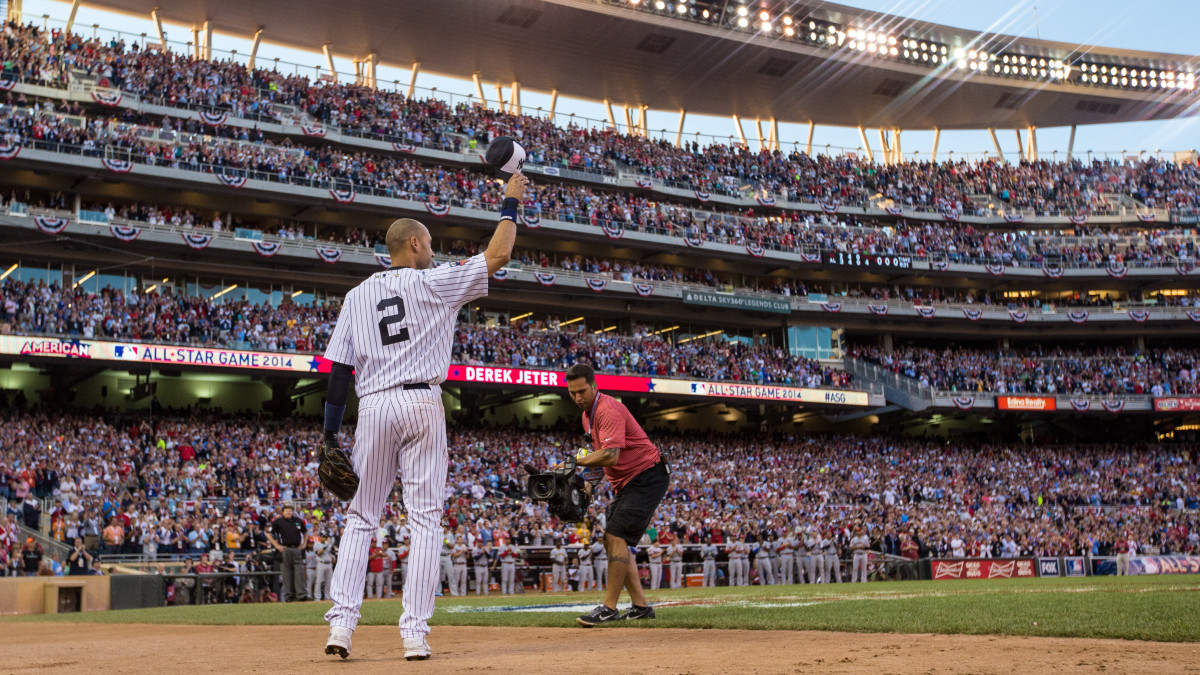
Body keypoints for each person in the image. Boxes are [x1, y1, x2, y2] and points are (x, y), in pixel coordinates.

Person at [322, 172, 527, 661]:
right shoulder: (433, 281)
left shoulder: (356, 296)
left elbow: (338, 371)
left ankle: (341, 628)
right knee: (425, 521)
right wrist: (510, 203)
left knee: (361, 517)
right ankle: (414, 633)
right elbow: (497, 255)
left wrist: (330, 434)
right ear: (414, 243)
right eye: (429, 244)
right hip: (420, 401)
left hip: (372, 405)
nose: (433, 251)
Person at [565, 364, 671, 627]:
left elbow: (610, 455)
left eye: (582, 391)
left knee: (615, 536)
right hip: (629, 482)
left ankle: (609, 608)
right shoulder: (587, 416)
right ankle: (641, 608)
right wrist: (588, 488)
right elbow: (601, 460)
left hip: (646, 475)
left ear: (594, 385)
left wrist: (573, 463)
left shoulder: (608, 409)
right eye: (572, 393)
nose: (578, 397)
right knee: (614, 540)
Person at [265, 502, 308, 602]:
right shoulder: (278, 522)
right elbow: (268, 534)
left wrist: (304, 543)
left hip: (297, 548)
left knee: (299, 572)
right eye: (286, 511)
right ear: (282, 512)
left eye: (290, 510)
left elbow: (305, 532)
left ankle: (301, 594)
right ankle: (289, 596)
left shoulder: (298, 520)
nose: (288, 512)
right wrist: (276, 545)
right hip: (285, 548)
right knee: (286, 573)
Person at [313, 535, 334, 601]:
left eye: (325, 536)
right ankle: (317, 598)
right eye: (322, 536)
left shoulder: (328, 544)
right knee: (319, 581)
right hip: (321, 563)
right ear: (320, 537)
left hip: (329, 564)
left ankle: (327, 597)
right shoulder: (317, 544)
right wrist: (326, 547)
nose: (323, 538)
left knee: (329, 581)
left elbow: (331, 552)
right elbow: (318, 553)